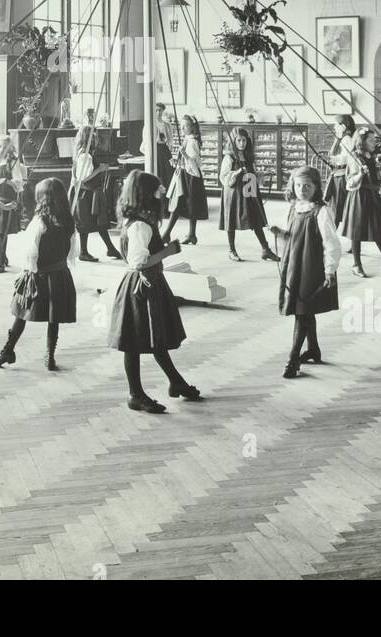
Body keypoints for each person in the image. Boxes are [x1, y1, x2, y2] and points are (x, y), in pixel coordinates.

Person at [109, 170, 199, 413]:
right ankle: (135, 394)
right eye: (157, 191)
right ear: (146, 195)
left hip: (146, 284)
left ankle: (175, 382)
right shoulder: (140, 226)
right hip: (142, 286)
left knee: (154, 337)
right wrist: (168, 251)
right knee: (134, 342)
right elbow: (139, 261)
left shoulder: (137, 221)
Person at [0, 177, 77, 371]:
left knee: (20, 313)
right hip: (59, 274)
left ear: (42, 198)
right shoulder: (68, 221)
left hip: (38, 274)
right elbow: (72, 252)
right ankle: (50, 356)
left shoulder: (39, 221)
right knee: (54, 317)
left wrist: (28, 271)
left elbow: (30, 251)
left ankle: (8, 350)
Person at [271, 165, 341, 378]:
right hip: (295, 265)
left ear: (316, 187)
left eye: (307, 186)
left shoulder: (321, 211)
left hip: (313, 268)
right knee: (304, 309)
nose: (302, 189)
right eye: (298, 185)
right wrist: (280, 233)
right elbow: (293, 236)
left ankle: (293, 360)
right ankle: (313, 349)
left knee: (302, 312)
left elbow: (331, 243)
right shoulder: (293, 207)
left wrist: (330, 270)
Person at [339, 127, 381, 278]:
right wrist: (360, 174)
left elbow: (376, 176)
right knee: (356, 231)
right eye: (370, 139)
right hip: (359, 196)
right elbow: (349, 182)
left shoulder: (371, 155)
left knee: (377, 231)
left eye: (374, 139)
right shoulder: (355, 156)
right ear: (361, 141)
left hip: (372, 196)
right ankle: (356, 265)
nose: (374, 141)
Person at [218, 126, 280, 262]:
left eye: (244, 141)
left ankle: (266, 249)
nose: (242, 143)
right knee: (232, 220)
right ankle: (232, 250)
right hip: (234, 192)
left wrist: (260, 175)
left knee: (256, 218)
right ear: (233, 141)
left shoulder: (249, 156)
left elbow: (254, 174)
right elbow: (223, 178)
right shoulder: (229, 157)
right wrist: (238, 172)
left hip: (250, 188)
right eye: (239, 141)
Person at [70, 125, 122, 262]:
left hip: (88, 193)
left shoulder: (83, 153)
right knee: (86, 224)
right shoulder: (85, 155)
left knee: (99, 222)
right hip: (86, 194)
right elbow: (82, 178)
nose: (96, 139)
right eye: (94, 136)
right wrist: (99, 169)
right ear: (88, 137)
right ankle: (84, 252)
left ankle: (109, 249)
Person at [164, 114, 208, 245]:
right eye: (181, 125)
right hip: (183, 174)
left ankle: (167, 234)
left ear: (192, 127)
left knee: (180, 204)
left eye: (186, 125)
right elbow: (185, 162)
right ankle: (191, 234)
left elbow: (195, 163)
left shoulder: (192, 141)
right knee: (187, 204)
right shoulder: (187, 139)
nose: (183, 128)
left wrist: (184, 155)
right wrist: (176, 161)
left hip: (190, 177)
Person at [0, 134, 27, 274]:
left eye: (5, 147)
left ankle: (0, 261)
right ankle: (0, 256)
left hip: (7, 197)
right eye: (0, 146)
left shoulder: (13, 162)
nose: (2, 149)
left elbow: (19, 184)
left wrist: (8, 181)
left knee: (2, 230)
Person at [322, 115, 357, 225]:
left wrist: (332, 159)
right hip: (338, 174)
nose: (334, 127)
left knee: (336, 206)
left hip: (342, 175)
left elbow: (346, 157)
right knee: (336, 205)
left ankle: (332, 228)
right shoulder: (344, 138)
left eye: (336, 125)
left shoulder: (347, 139)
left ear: (343, 126)